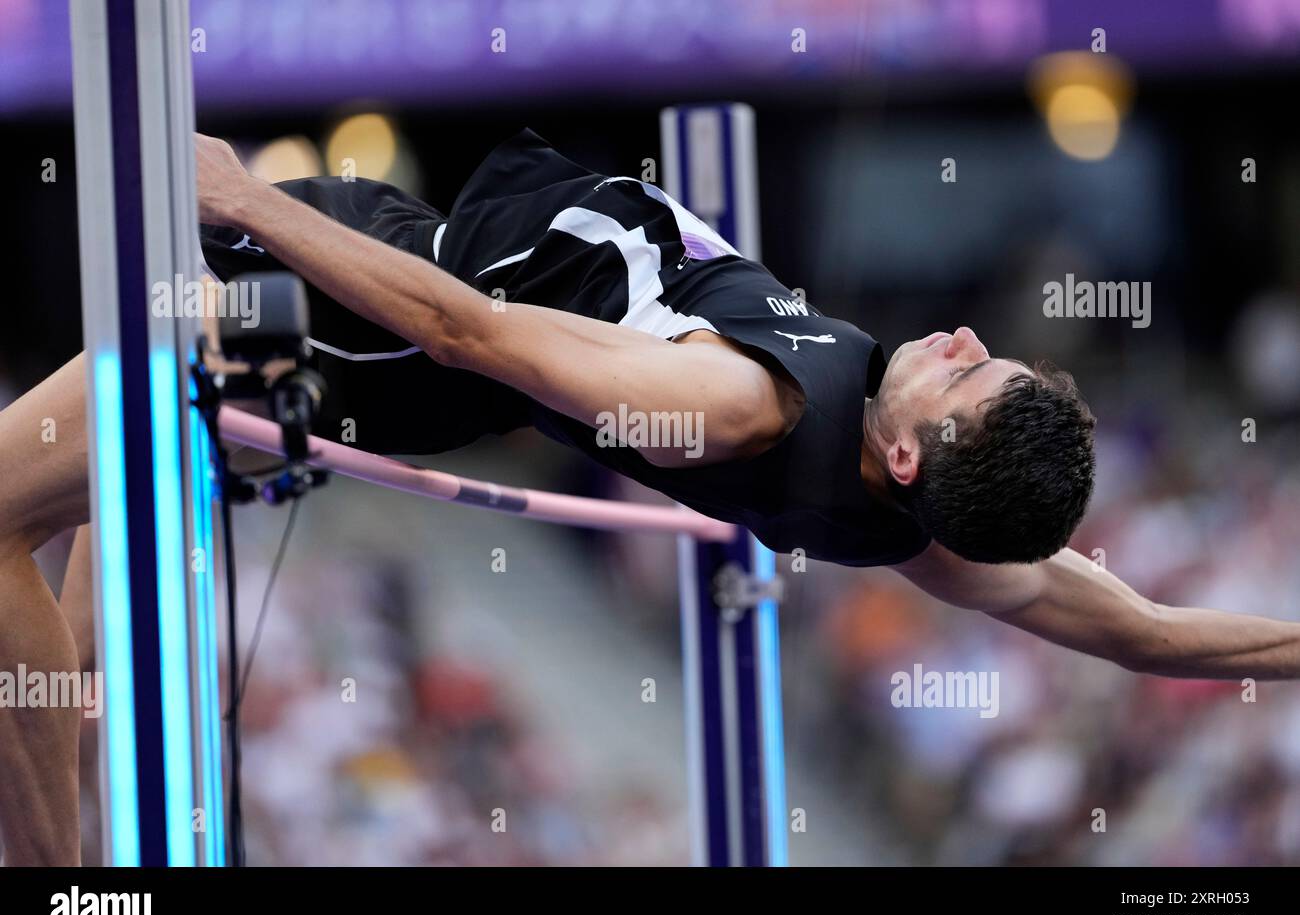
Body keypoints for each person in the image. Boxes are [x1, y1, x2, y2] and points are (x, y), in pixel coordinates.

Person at [0, 130, 1296, 866]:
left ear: (910, 453)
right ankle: (68, 852)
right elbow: (1149, 631)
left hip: (365, 324)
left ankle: (60, 885)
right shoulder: (928, 523)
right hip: (406, 256)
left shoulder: (726, 408)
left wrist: (237, 198)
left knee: (4, 514)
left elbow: (472, 337)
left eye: (967, 370)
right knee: (65, 563)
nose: (957, 333)